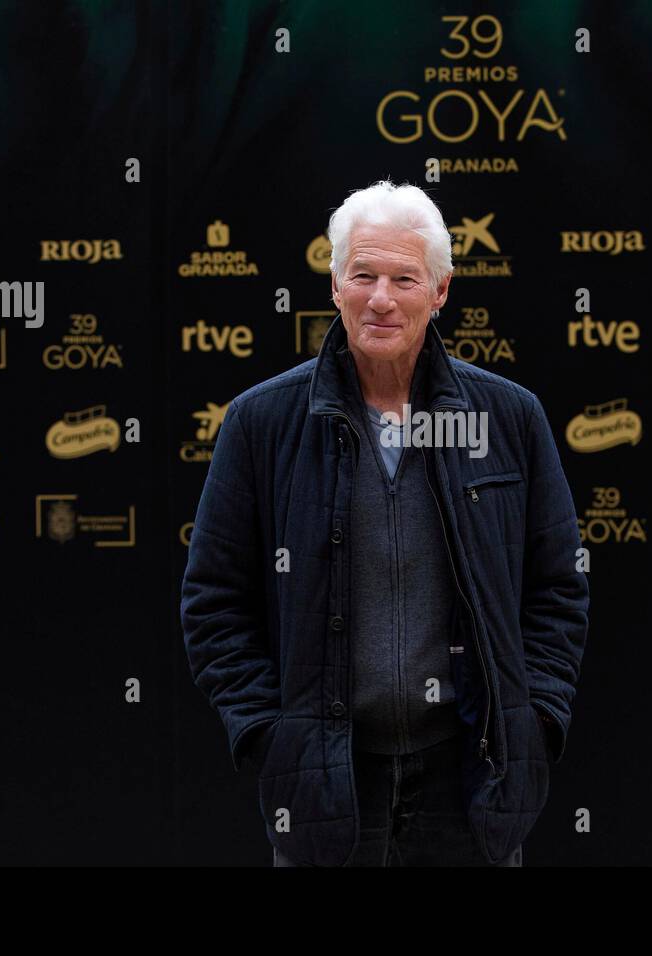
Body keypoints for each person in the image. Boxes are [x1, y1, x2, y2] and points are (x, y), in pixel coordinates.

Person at [180, 179, 589, 866]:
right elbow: (214, 599)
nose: (381, 298)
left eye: (404, 278)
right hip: (326, 782)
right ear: (335, 283)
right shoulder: (261, 422)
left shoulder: (509, 417)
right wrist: (268, 733)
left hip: (472, 777)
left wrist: (534, 721)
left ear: (441, 291)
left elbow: (558, 587)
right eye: (362, 274)